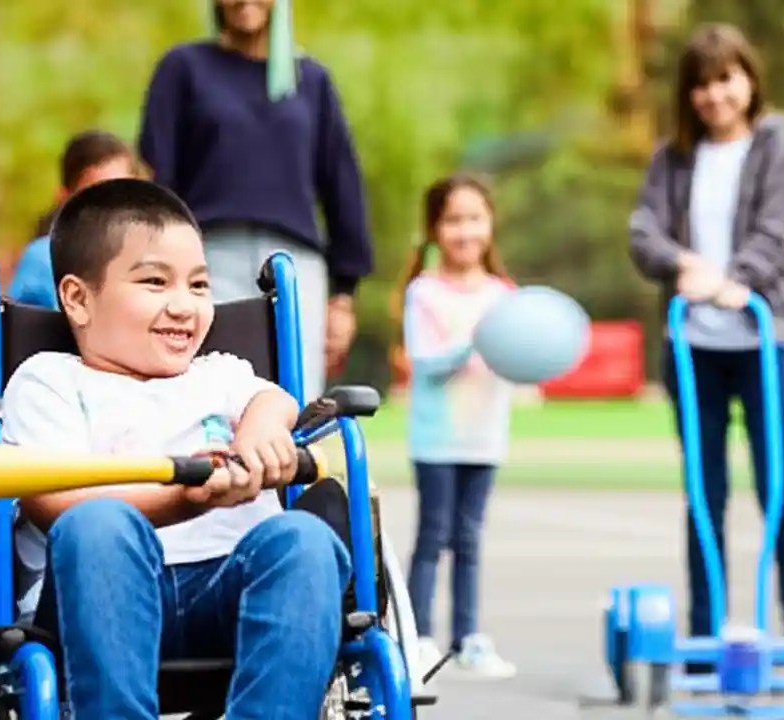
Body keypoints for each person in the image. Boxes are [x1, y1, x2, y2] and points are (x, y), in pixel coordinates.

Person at [0, 178, 351, 718]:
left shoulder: (218, 374)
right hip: (99, 598)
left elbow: (274, 400)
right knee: (97, 524)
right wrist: (189, 499)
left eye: (199, 285)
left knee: (305, 539)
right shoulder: (48, 381)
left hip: (228, 586)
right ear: (78, 298)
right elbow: (50, 501)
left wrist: (260, 433)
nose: (184, 306)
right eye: (155, 282)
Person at [627, 23, 784, 674]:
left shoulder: (778, 142)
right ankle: (706, 642)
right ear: (690, 94)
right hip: (693, 346)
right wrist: (686, 264)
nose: (715, 96)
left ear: (749, 80)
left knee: (782, 496)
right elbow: (643, 231)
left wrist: (735, 279)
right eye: (702, 85)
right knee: (703, 497)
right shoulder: (672, 157)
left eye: (726, 79)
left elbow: (776, 230)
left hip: (768, 339)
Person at [138, 0, 373, 402]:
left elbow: (341, 183)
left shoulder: (310, 80)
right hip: (206, 258)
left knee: (295, 398)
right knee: (207, 391)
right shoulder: (184, 69)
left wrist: (344, 296)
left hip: (294, 262)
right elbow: (155, 176)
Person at [397, 173, 518, 680]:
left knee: (469, 539)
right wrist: (476, 342)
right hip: (437, 439)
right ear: (434, 229)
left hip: (484, 437)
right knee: (433, 536)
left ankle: (467, 637)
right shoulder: (423, 292)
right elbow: (424, 360)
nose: (465, 230)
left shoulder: (503, 293)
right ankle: (418, 637)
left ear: (490, 225)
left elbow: (518, 355)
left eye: (475, 218)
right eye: (453, 220)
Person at [6, 130, 140, 309]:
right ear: (64, 198)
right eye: (94, 196)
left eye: (123, 193)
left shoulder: (150, 256)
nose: (112, 209)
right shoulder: (44, 261)